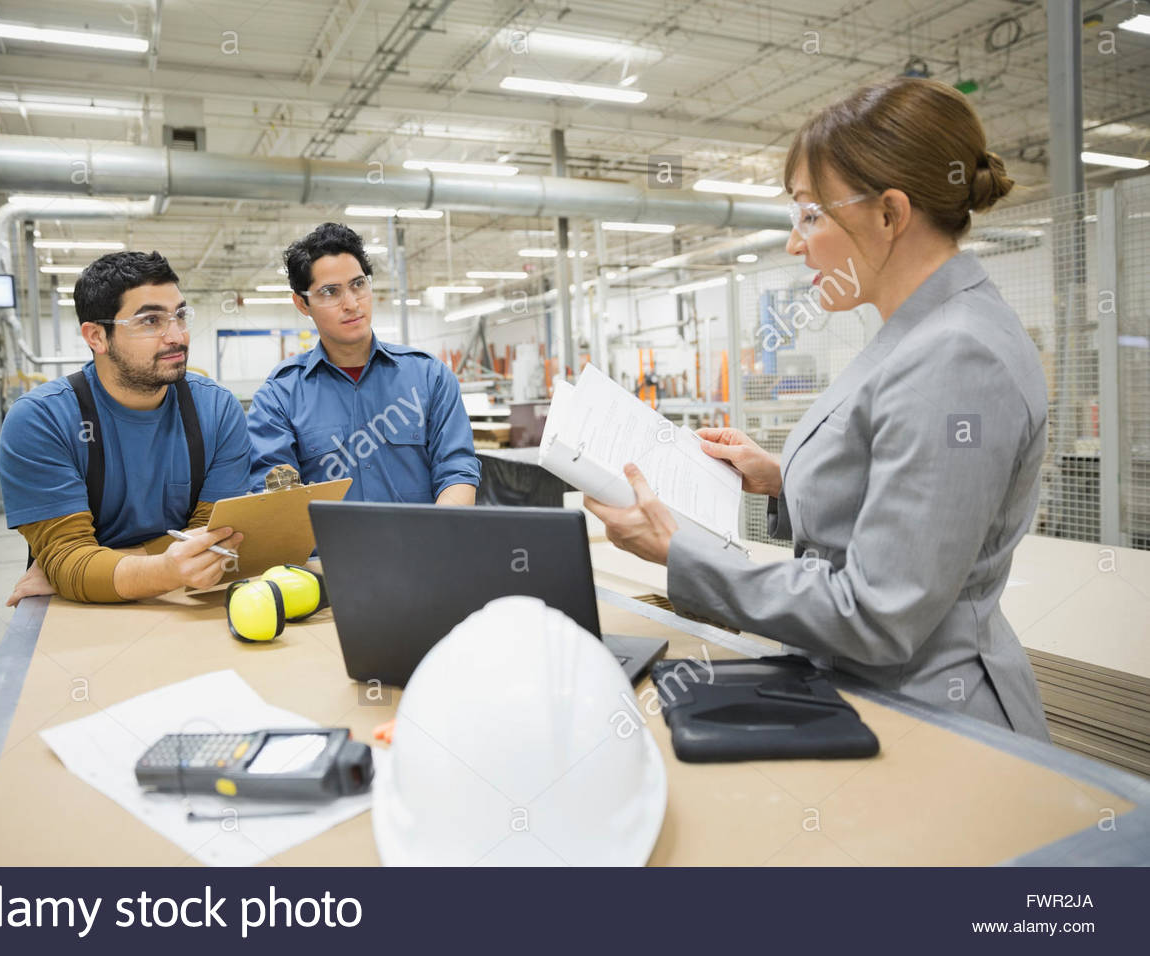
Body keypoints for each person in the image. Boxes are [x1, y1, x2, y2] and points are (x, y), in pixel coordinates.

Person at [587, 77, 1051, 741]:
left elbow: (877, 612)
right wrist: (778, 482)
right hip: (872, 695)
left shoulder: (957, 356)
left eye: (810, 213)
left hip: (938, 721)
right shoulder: (919, 332)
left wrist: (681, 553)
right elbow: (880, 515)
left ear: (890, 214)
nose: (793, 242)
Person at [0, 251, 251, 605]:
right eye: (150, 321)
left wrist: (95, 566)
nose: (176, 336)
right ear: (96, 337)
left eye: (180, 315)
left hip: (189, 602)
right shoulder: (41, 421)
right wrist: (161, 567)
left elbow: (215, 541)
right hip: (78, 619)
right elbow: (69, 557)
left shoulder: (218, 411)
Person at [246, 222, 479, 505]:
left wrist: (435, 540)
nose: (352, 303)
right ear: (302, 304)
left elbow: (456, 471)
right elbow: (275, 498)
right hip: (328, 550)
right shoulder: (280, 395)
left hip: (419, 547)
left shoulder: (430, 377)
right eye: (331, 292)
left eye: (358, 285)